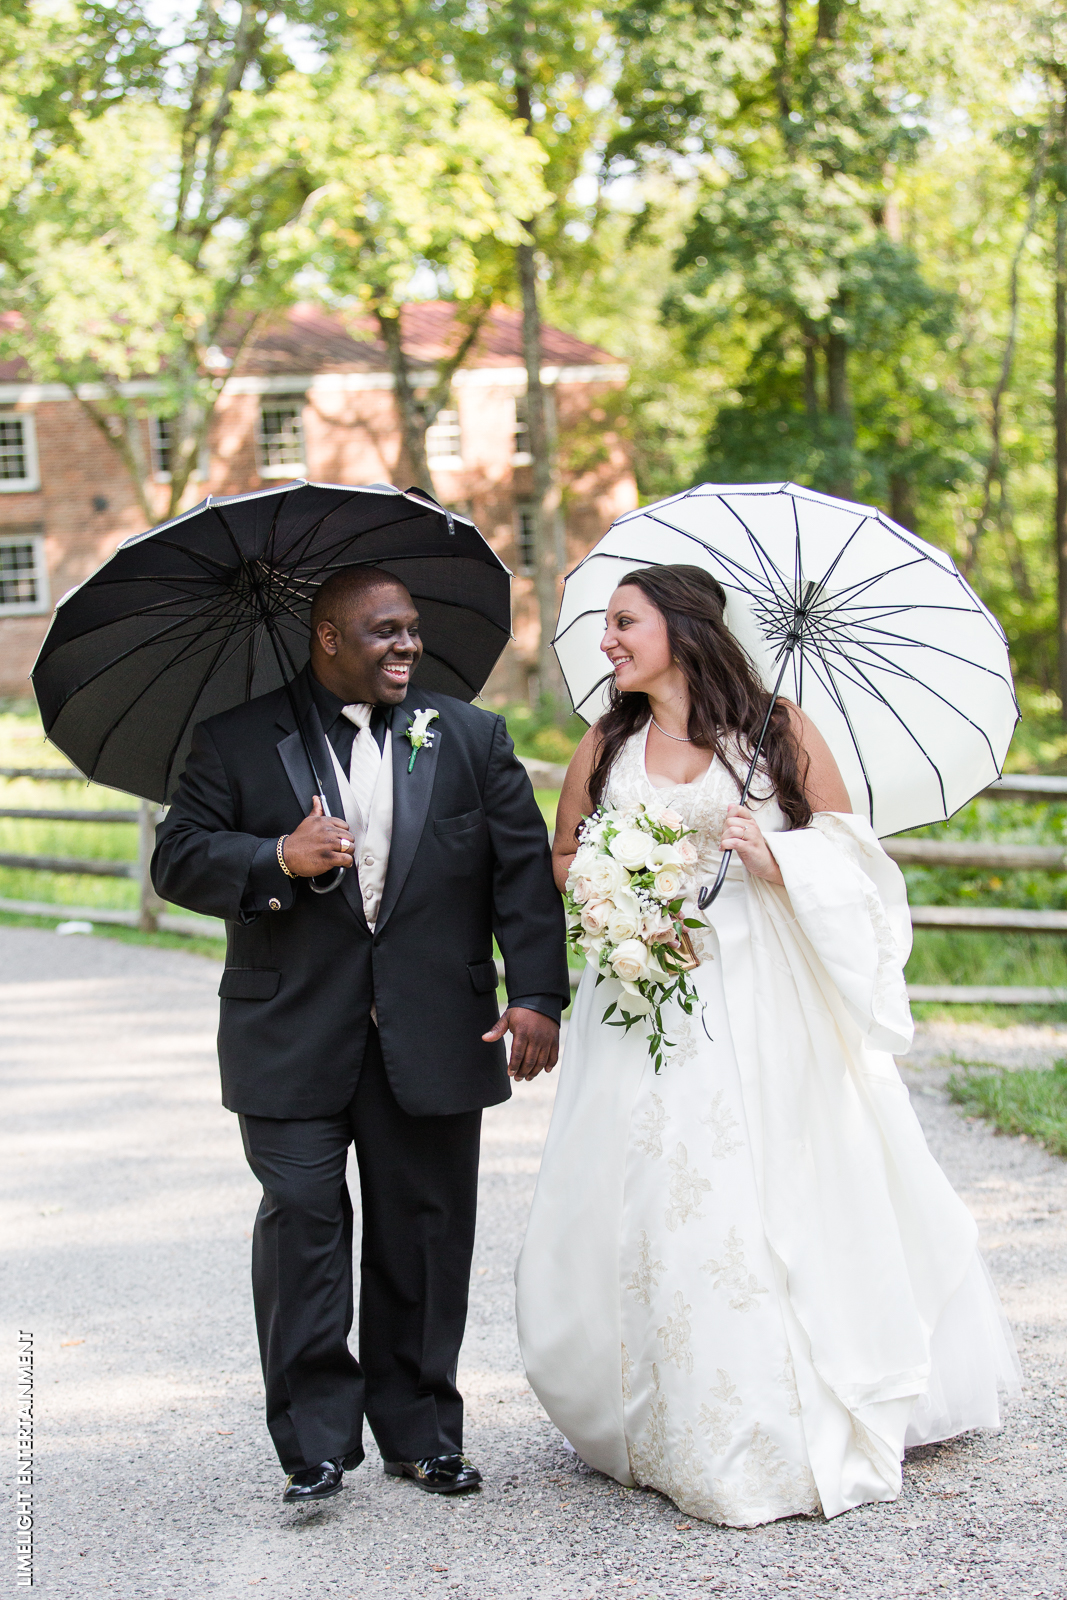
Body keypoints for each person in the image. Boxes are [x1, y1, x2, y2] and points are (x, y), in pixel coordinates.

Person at [515, 564, 1019, 1527]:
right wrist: (625, 901)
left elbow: (853, 854)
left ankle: (789, 1398)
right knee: (656, 1190)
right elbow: (567, 854)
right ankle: (665, 1403)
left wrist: (774, 855)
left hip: (762, 1000)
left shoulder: (776, 731)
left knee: (769, 1185)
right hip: (645, 1000)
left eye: (625, 623)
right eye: (606, 626)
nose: (608, 641)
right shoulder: (606, 740)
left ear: (683, 626)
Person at [153, 565, 568, 1504]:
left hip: (433, 1030)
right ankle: (314, 1444)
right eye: (384, 631)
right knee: (302, 1221)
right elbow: (175, 859)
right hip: (289, 1033)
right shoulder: (233, 741)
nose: (407, 646)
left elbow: (519, 877)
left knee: (423, 1233)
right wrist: (275, 858)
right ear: (329, 639)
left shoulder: (468, 736)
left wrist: (538, 994)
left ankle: (422, 1434)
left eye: (413, 629)